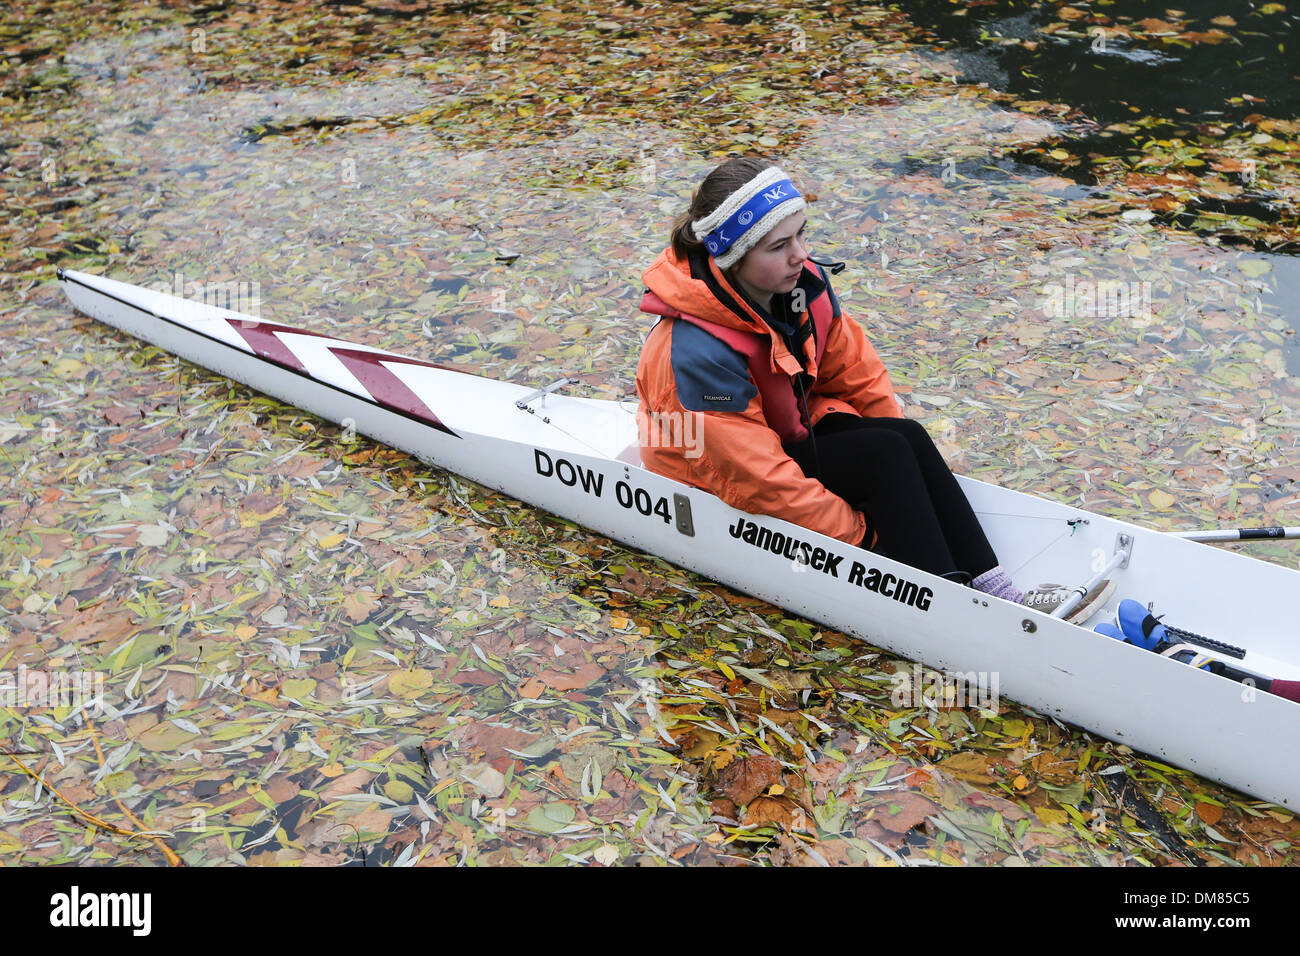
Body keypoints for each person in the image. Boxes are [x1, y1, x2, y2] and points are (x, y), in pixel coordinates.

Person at [634, 155, 1112, 620]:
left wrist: (914, 486)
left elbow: (857, 376)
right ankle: (949, 605)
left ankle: (996, 591)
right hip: (708, 477)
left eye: (801, 234)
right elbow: (756, 481)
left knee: (903, 438)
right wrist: (864, 540)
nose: (800, 254)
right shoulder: (693, 353)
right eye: (779, 247)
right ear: (733, 258)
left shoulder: (799, 287)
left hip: (781, 437)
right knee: (884, 458)